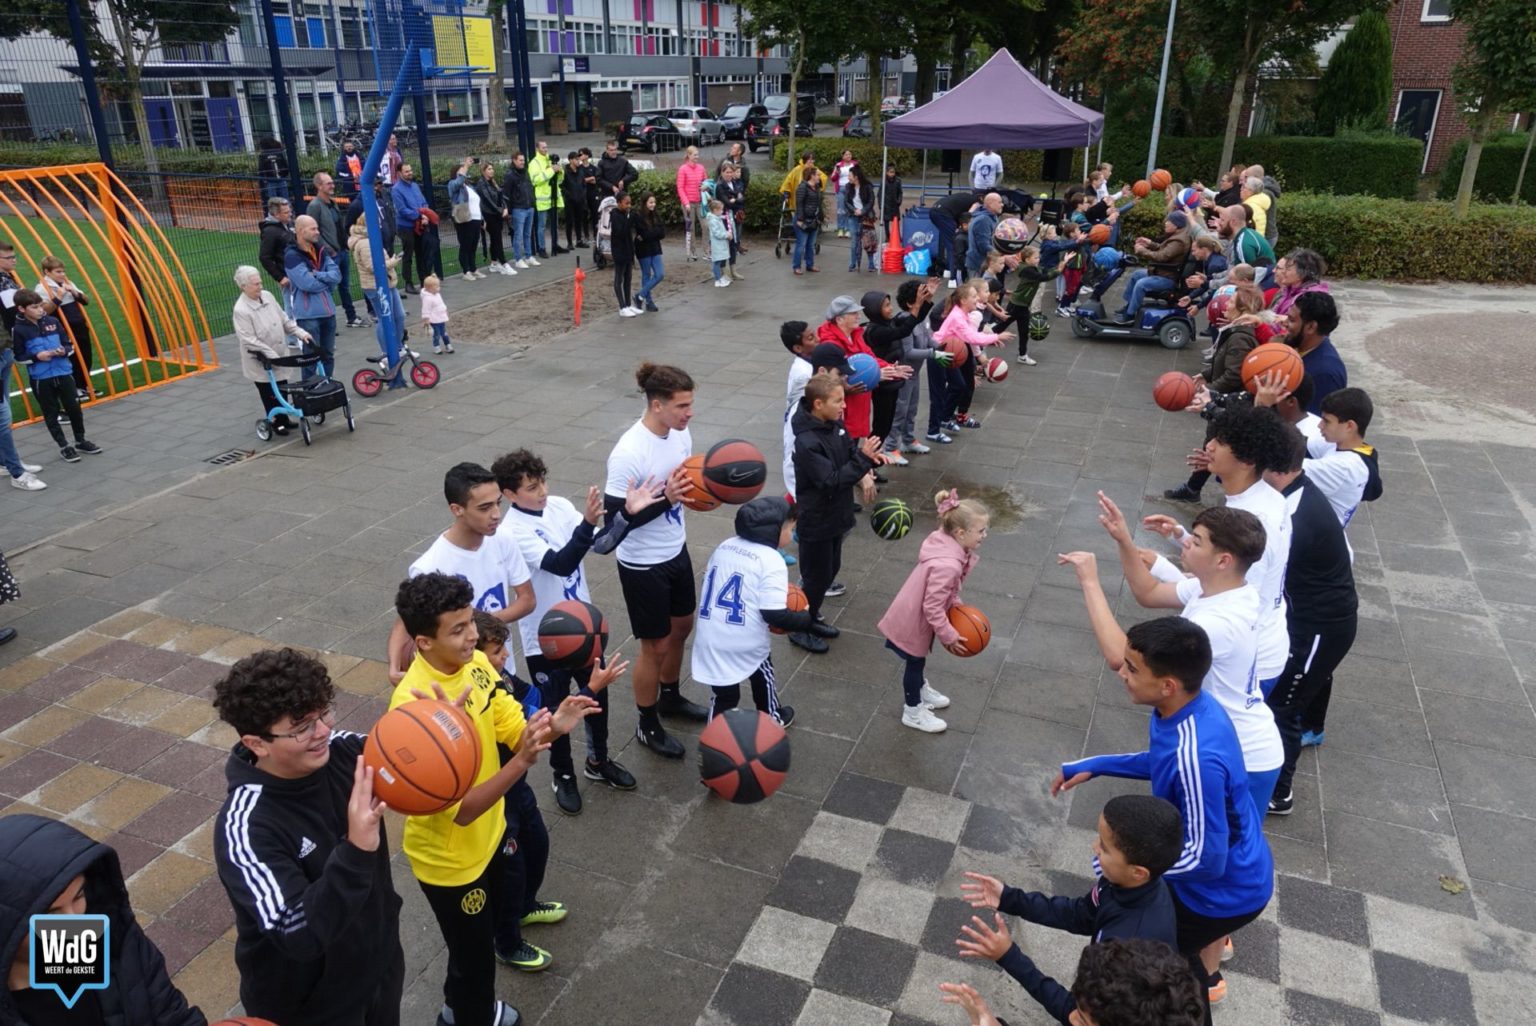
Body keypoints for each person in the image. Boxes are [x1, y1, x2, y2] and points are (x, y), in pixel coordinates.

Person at [391, 571, 595, 1026]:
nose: (471, 636)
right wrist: (519, 763)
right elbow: (462, 811)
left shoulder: (478, 666)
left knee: (480, 942)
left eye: (470, 622)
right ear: (423, 642)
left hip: (494, 831)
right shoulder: (412, 711)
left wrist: (552, 727)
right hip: (451, 860)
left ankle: (460, 1009)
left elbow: (513, 728)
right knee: (474, 957)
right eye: (457, 629)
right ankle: (469, 1016)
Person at [1052, 616, 1274, 1015]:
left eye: (1132, 668)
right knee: (1179, 965)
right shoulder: (1189, 710)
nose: (1122, 673)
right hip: (1223, 875)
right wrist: (1096, 764)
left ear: (1167, 685)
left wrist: (1129, 870)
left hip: (1223, 891)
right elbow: (1164, 759)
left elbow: (1207, 859)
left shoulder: (1197, 757)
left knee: (1162, 976)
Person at [210, 647, 403, 1026]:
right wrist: (357, 850)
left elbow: (406, 755)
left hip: (378, 964)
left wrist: (444, 723)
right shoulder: (246, 828)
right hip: (311, 1005)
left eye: (323, 712)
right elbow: (296, 930)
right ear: (256, 743)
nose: (323, 731)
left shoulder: (342, 749)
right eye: (302, 727)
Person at [1087, 494, 1284, 814]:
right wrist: (1124, 539)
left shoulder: (1215, 624)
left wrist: (1090, 582)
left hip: (1240, 756)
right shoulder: (1225, 590)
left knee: (1212, 843)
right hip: (1224, 742)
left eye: (1197, 540)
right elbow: (1149, 592)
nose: (1186, 541)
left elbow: (1124, 660)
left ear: (1223, 561)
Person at [493, 447, 654, 814]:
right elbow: (561, 564)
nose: (543, 491)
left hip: (584, 628)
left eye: (542, 482)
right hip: (546, 638)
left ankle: (598, 761)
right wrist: (585, 524)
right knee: (554, 709)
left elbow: (600, 544)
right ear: (510, 494)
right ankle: (562, 773)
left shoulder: (560, 507)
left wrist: (627, 514)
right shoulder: (512, 531)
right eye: (532, 487)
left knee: (596, 698)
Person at [471, 610, 623, 971]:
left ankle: (524, 908)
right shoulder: (477, 691)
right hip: (496, 796)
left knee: (538, 845)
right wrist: (587, 692)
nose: (504, 657)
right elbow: (534, 727)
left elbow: (539, 701)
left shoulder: (501, 677)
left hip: (518, 789)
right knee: (509, 874)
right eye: (496, 652)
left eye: (504, 649)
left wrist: (573, 675)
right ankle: (506, 943)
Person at [955, 795, 1182, 1022]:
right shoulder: (1120, 882)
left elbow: (1075, 1015)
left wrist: (1008, 956)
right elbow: (1079, 915)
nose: (1095, 847)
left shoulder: (1130, 952)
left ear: (1138, 872)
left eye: (1104, 848)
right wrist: (1010, 898)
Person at [1, 815, 207, 1026]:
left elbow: (173, 1016)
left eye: (78, 897)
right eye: (51, 913)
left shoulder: (114, 942)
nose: (73, 923)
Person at [603, 363, 711, 757]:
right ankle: (647, 723)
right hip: (643, 564)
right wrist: (666, 499)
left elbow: (687, 486)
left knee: (682, 625)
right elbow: (612, 528)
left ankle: (670, 697)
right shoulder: (628, 454)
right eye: (682, 406)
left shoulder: (679, 434)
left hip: (674, 548)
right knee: (656, 645)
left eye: (690, 404)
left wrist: (705, 493)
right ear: (657, 405)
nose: (689, 413)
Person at [1261, 427, 1358, 815]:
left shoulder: (1296, 514)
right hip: (1309, 617)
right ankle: (1313, 727)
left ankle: (1279, 792)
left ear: (1271, 466)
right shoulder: (1292, 491)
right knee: (1298, 688)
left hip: (1320, 626)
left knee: (1282, 706)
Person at [385, 462, 537, 685]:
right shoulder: (430, 566)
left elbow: (527, 600)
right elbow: (404, 622)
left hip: (501, 668)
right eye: (484, 508)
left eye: (498, 503)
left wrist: (479, 625)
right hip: (461, 679)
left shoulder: (503, 539)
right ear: (457, 509)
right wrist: (393, 667)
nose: (496, 515)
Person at [691, 496, 812, 726]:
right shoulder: (771, 560)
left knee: (725, 696)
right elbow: (774, 614)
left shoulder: (725, 545)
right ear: (775, 530)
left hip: (712, 636)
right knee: (762, 673)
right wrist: (804, 619)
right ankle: (772, 718)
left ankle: (714, 736)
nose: (792, 534)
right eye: (791, 529)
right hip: (745, 640)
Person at [877, 488, 988, 731]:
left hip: (912, 613)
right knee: (914, 662)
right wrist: (949, 634)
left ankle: (920, 689)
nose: (984, 535)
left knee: (918, 660)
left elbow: (945, 592)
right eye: (980, 531)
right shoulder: (948, 565)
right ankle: (913, 711)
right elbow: (932, 606)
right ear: (960, 533)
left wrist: (956, 605)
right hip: (913, 621)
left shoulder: (946, 542)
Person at [790, 374, 880, 653]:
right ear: (818, 404)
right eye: (838, 401)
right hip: (817, 519)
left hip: (836, 514)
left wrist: (865, 469)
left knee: (830, 569)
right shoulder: (806, 442)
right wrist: (863, 460)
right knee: (815, 577)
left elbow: (849, 450)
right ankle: (799, 627)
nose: (844, 405)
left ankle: (811, 615)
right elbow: (829, 480)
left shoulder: (834, 424)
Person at [10, 288, 102, 463]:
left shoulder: (53, 321)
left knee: (74, 409)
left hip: (64, 372)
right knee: (51, 413)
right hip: (41, 378)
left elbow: (69, 345)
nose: (40, 310)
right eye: (34, 307)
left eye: (40, 305)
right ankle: (64, 446)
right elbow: (18, 356)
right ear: (21, 309)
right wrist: (36, 357)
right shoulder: (19, 330)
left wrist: (63, 351)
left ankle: (80, 440)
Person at [233, 265, 313, 436]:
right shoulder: (241, 310)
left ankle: (284, 418)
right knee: (269, 392)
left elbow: (284, 320)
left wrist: (301, 333)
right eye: (256, 284)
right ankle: (276, 421)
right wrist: (271, 356)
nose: (260, 287)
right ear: (244, 287)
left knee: (282, 387)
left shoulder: (267, 296)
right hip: (262, 361)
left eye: (260, 282)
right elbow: (248, 340)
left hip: (279, 355)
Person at [881, 278, 947, 462]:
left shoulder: (920, 319)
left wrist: (941, 346)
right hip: (903, 375)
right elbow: (908, 352)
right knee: (900, 411)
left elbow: (927, 338)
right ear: (911, 303)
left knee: (912, 409)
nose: (928, 300)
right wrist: (934, 354)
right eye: (923, 296)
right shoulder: (905, 322)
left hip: (914, 373)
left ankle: (908, 440)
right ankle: (890, 447)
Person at [782, 336, 852, 505]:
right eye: (839, 373)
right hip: (812, 495)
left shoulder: (826, 405)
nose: (844, 378)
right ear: (822, 371)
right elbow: (793, 454)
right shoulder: (803, 412)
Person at [0, 246, 45, 491]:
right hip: (3, 349)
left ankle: (7, 462)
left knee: (3, 408)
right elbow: (14, 315)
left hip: (5, 349)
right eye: (9, 257)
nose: (14, 260)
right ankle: (16, 472)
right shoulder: (4, 283)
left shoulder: (6, 279)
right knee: (2, 416)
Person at [283, 214, 342, 380]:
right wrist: (327, 282)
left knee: (328, 354)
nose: (318, 232)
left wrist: (316, 274)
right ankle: (310, 389)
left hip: (328, 312)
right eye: (313, 229)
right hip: (308, 315)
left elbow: (337, 275)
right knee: (310, 358)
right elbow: (306, 284)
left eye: (317, 228)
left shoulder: (320, 250)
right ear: (301, 231)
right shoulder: (292, 256)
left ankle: (327, 385)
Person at [348, 217, 409, 373]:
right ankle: (387, 352)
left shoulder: (369, 240)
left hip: (387, 283)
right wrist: (394, 262)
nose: (381, 225)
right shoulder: (365, 243)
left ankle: (398, 347)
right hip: (376, 286)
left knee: (399, 315)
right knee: (384, 317)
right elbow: (373, 266)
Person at [308, 171, 366, 328]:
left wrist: (345, 244)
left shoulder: (333, 203)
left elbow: (339, 226)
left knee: (345, 286)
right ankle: (326, 322)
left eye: (332, 182)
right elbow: (314, 231)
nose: (332, 185)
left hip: (341, 250)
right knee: (329, 288)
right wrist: (328, 250)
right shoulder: (314, 206)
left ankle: (351, 316)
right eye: (328, 183)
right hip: (330, 254)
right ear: (319, 186)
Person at [34, 255, 95, 400]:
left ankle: (84, 385)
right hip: (63, 328)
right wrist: (58, 297)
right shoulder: (41, 288)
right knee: (71, 356)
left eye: (63, 271)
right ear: (47, 272)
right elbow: (44, 311)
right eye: (58, 272)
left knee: (85, 354)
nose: (63, 274)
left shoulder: (68, 283)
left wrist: (74, 292)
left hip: (79, 325)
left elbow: (86, 300)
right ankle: (74, 388)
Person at [1116, 211, 1190, 323]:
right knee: (1136, 274)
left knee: (1141, 284)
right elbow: (1165, 250)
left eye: (1169, 221)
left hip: (1167, 279)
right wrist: (1150, 244)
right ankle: (1130, 305)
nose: (1165, 223)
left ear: (1176, 225)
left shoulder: (1178, 241)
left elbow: (1161, 257)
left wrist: (1143, 251)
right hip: (1163, 273)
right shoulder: (1178, 236)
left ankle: (1130, 315)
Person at [1284, 291, 1346, 414]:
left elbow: (1310, 420)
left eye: (1291, 320)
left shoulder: (1324, 374)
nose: (1284, 323)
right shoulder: (1302, 348)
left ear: (1311, 327)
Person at [446, 157, 486, 281]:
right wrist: (466, 167)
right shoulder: (453, 184)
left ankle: (473, 268)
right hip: (464, 218)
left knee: (473, 244)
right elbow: (458, 183)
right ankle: (466, 270)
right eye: (461, 170)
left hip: (475, 219)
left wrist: (482, 219)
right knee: (465, 244)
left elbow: (477, 203)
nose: (464, 172)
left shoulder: (469, 186)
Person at [474, 161, 513, 275]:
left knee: (495, 239)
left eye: (492, 169)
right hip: (489, 215)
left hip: (497, 215)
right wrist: (501, 210)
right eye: (489, 169)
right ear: (483, 171)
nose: (492, 171)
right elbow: (488, 201)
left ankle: (494, 263)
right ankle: (504, 263)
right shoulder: (481, 185)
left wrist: (505, 208)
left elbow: (501, 197)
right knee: (497, 238)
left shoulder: (493, 183)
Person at [633, 192, 667, 313]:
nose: (653, 204)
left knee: (660, 274)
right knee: (646, 274)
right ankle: (649, 302)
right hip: (643, 249)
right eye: (651, 202)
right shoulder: (638, 215)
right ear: (644, 203)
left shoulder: (655, 214)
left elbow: (662, 233)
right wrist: (654, 233)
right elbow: (645, 234)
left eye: (654, 202)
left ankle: (640, 295)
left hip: (655, 247)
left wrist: (650, 233)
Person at [504, 152, 537, 270]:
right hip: (518, 209)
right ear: (514, 160)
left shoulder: (525, 172)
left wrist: (532, 202)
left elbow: (529, 188)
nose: (523, 162)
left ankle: (528, 256)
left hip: (529, 207)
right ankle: (518, 259)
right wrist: (509, 210)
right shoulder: (510, 175)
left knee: (528, 234)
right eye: (520, 160)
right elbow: (506, 194)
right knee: (518, 235)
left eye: (523, 160)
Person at [529, 141, 561, 259]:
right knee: (541, 226)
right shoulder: (534, 163)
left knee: (554, 225)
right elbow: (535, 180)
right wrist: (551, 170)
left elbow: (559, 179)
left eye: (546, 147)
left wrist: (559, 170)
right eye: (543, 147)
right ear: (537, 149)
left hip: (553, 198)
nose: (546, 149)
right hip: (542, 200)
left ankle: (555, 245)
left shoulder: (549, 160)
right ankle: (541, 249)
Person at [676, 145, 707, 261]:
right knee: (691, 228)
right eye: (695, 155)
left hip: (700, 202)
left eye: (698, 155)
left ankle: (706, 251)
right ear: (689, 155)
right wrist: (686, 203)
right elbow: (680, 187)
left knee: (706, 226)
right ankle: (693, 251)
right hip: (688, 203)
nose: (697, 157)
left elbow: (706, 182)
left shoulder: (701, 168)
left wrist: (705, 186)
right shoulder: (683, 169)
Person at [610, 191, 638, 316]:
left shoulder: (626, 214)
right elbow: (620, 232)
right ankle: (622, 307)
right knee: (619, 278)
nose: (629, 206)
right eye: (626, 203)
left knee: (628, 278)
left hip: (628, 250)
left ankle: (628, 304)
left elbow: (628, 233)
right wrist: (629, 219)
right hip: (619, 251)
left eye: (630, 203)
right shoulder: (615, 215)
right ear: (619, 203)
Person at [258, 196, 296, 289]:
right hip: (288, 277)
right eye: (286, 212)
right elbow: (264, 257)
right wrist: (280, 278)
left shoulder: (288, 223)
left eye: (290, 211)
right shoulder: (269, 232)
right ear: (276, 214)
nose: (290, 214)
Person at [717, 162, 746, 280]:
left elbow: (742, 198)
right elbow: (727, 203)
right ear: (722, 172)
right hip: (724, 218)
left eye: (731, 172)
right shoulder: (720, 186)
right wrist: (735, 199)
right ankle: (724, 271)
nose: (729, 174)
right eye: (727, 172)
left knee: (734, 243)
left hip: (734, 217)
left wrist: (735, 200)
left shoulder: (734, 183)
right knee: (725, 244)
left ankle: (733, 270)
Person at [792, 165, 823, 275]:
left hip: (813, 219)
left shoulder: (816, 187)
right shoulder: (802, 187)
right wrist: (800, 219)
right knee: (801, 244)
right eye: (817, 175)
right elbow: (799, 204)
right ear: (811, 176)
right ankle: (796, 266)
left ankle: (810, 265)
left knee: (811, 244)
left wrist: (820, 217)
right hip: (803, 219)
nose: (819, 177)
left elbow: (818, 204)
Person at [966, 192, 1003, 276]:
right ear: (990, 204)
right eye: (999, 202)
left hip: (987, 264)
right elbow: (983, 246)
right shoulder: (983, 220)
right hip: (979, 266)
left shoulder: (992, 217)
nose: (1002, 205)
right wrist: (1002, 256)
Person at [420, 274, 454, 355]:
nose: (439, 288)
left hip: (441, 317)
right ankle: (437, 347)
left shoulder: (437, 294)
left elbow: (441, 304)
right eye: (437, 286)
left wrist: (445, 311)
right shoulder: (427, 298)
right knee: (437, 334)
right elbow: (426, 309)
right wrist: (426, 319)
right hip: (434, 319)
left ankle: (448, 345)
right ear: (430, 288)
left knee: (444, 333)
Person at [562, 150, 588, 249]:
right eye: (576, 159)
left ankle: (579, 240)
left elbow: (583, 183)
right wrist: (569, 195)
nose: (578, 161)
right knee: (569, 221)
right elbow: (562, 186)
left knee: (579, 220)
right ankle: (569, 243)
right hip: (570, 201)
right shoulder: (565, 172)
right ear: (570, 160)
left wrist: (583, 194)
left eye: (578, 159)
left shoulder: (580, 170)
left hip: (580, 200)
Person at [705, 198, 732, 287]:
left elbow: (720, 219)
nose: (722, 211)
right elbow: (717, 233)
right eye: (721, 210)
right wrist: (727, 235)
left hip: (720, 244)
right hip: (717, 245)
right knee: (716, 263)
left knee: (719, 261)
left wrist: (725, 217)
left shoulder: (716, 218)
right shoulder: (713, 220)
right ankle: (718, 280)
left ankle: (719, 277)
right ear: (715, 210)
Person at [832, 150, 858, 238]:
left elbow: (859, 176)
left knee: (849, 209)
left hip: (851, 189)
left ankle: (848, 229)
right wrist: (837, 173)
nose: (848, 156)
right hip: (841, 189)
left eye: (850, 154)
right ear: (843, 156)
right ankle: (840, 228)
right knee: (841, 210)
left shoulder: (855, 164)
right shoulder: (838, 165)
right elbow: (833, 178)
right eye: (846, 154)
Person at [257, 136, 289, 205]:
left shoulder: (263, 155)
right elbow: (285, 165)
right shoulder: (279, 152)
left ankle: (275, 211)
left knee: (273, 202)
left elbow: (261, 169)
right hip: (281, 179)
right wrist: (284, 175)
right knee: (285, 200)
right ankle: (287, 210)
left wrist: (265, 179)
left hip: (270, 180)